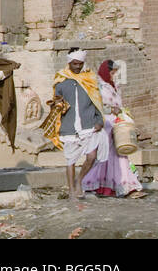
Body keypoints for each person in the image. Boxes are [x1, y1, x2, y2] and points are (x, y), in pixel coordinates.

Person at [81, 59, 144, 198]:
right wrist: (110, 109)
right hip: (105, 124)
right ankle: (92, 183)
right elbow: (95, 106)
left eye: (115, 73)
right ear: (106, 72)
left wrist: (123, 113)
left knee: (120, 155)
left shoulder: (115, 86)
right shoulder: (99, 87)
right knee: (105, 156)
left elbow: (119, 104)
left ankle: (126, 185)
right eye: (112, 73)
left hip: (116, 125)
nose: (113, 75)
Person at [50, 50, 107, 200]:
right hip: (69, 126)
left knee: (92, 156)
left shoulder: (90, 79)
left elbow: (97, 101)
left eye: (80, 64)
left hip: (88, 125)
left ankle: (79, 181)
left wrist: (99, 121)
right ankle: (71, 190)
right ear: (69, 63)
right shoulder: (61, 81)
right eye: (74, 64)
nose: (77, 67)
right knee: (71, 161)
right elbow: (55, 103)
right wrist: (58, 105)